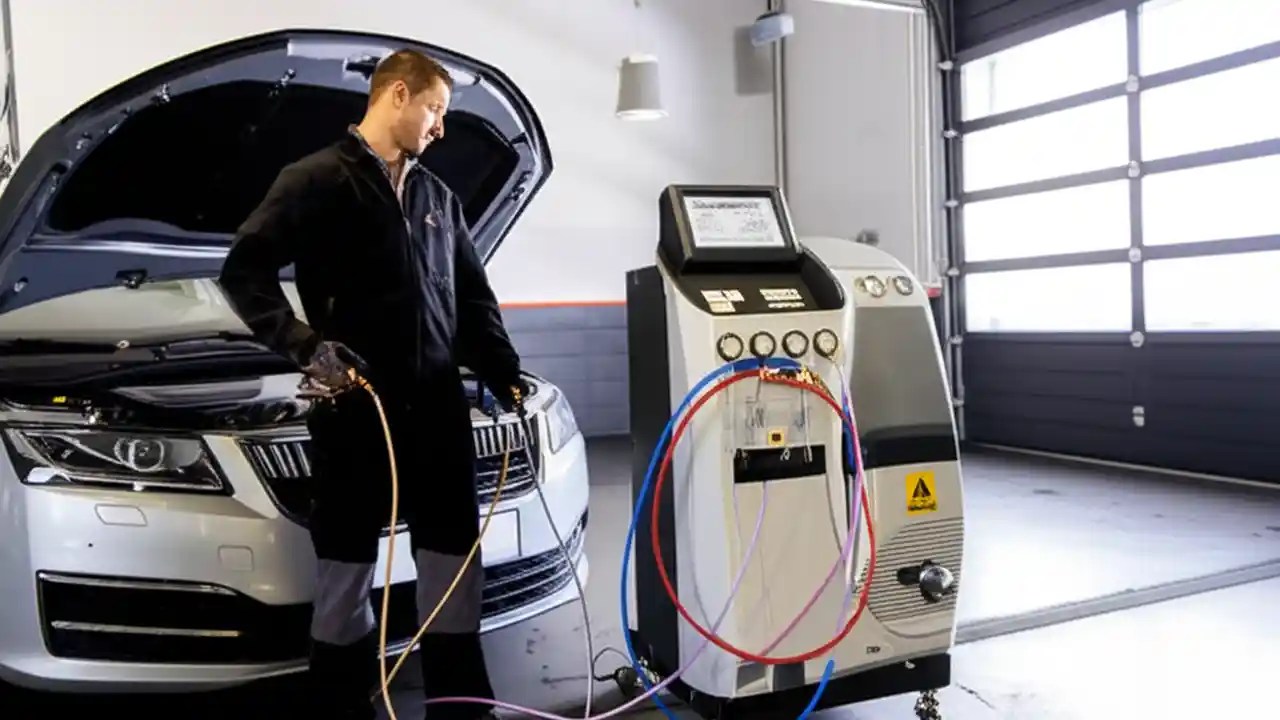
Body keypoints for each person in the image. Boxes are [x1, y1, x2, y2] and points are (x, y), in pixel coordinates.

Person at [217, 48, 522, 719]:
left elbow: (473, 300)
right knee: (347, 571)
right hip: (354, 411)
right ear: (398, 96)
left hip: (438, 413)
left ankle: (461, 706)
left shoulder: (439, 199)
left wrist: (506, 372)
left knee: (451, 567)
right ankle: (340, 703)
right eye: (437, 110)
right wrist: (307, 348)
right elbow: (244, 273)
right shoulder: (315, 180)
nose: (441, 127)